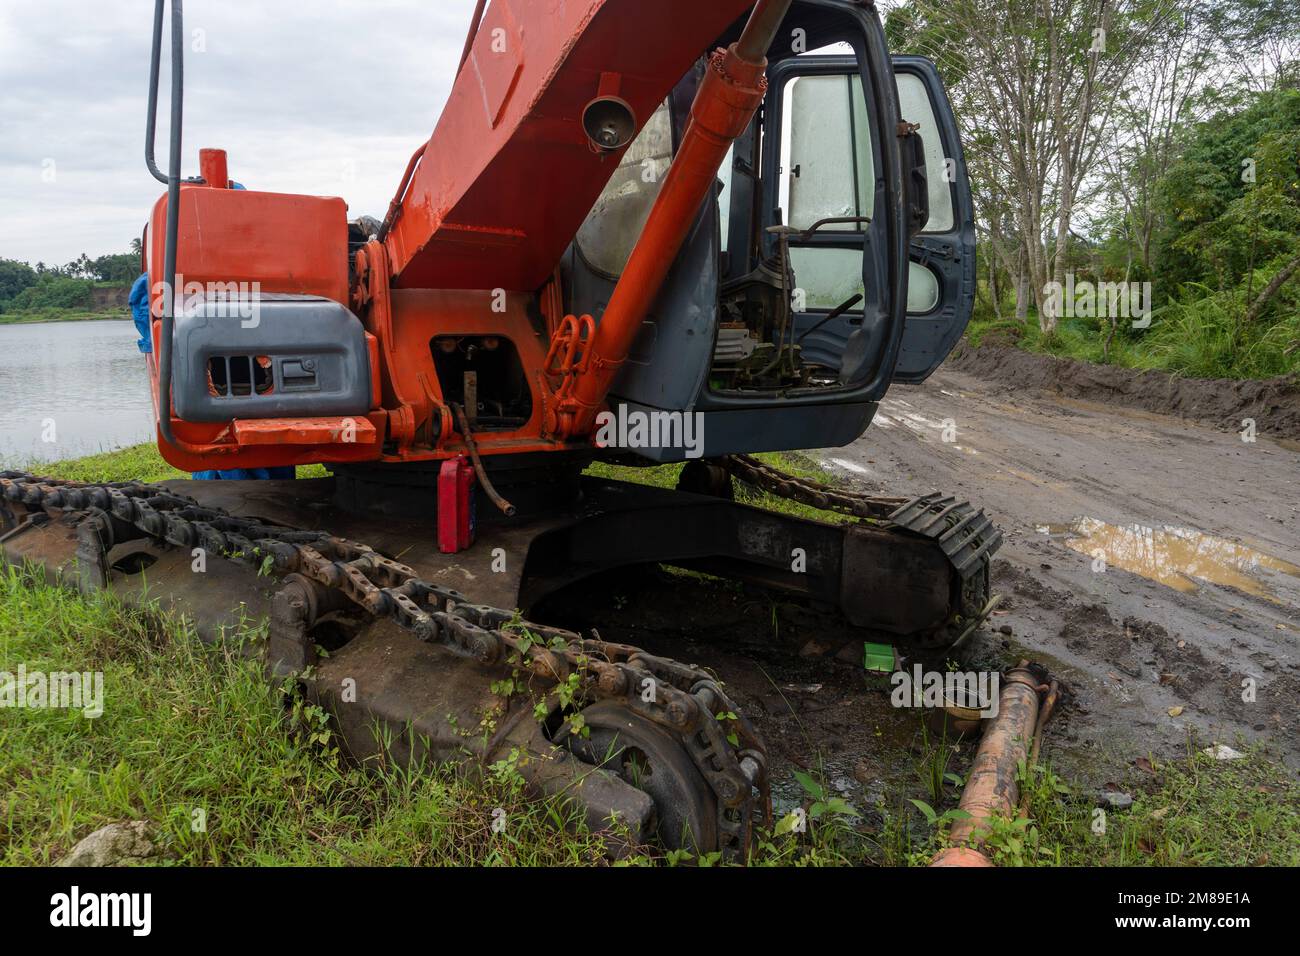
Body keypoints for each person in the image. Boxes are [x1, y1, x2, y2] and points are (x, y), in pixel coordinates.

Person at [130, 185, 292, 480]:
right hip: (223, 385)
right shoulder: (259, 269)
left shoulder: (164, 276)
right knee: (234, 457)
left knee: (243, 455)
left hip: (239, 384)